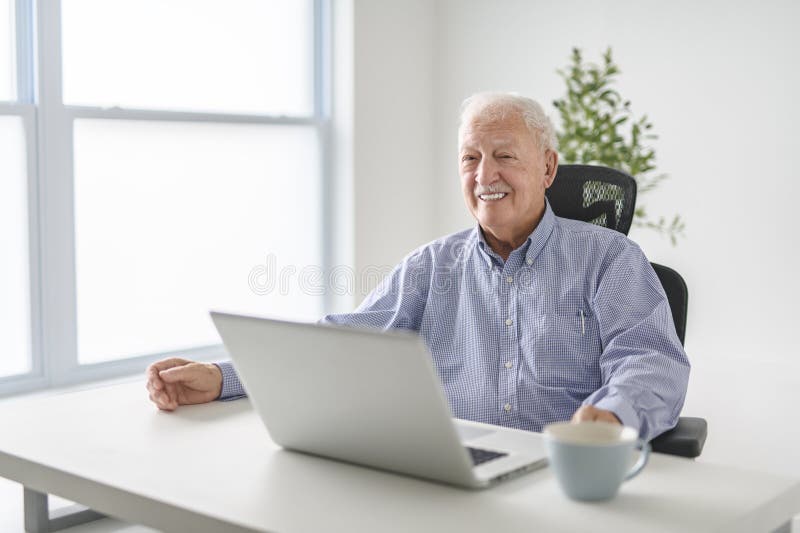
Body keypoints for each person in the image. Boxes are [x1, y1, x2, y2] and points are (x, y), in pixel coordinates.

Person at [146, 93, 689, 441]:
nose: (484, 175)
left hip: (561, 484)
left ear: (547, 167)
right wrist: (223, 377)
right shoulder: (433, 265)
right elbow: (341, 345)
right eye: (470, 158)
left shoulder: (611, 260)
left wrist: (613, 416)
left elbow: (651, 362)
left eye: (504, 155)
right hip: (449, 478)